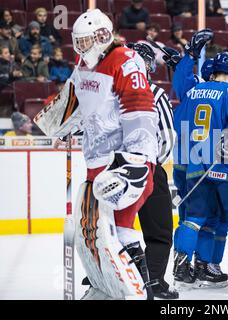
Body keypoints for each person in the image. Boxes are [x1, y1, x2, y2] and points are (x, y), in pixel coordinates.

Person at [38, 9, 159, 300]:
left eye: (84, 41)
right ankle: (106, 285)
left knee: (118, 229)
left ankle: (142, 290)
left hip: (124, 162)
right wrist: (61, 126)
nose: (80, 48)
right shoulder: (84, 66)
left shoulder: (126, 61)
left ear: (102, 35)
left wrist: (137, 160)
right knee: (93, 232)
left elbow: (140, 112)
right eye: (76, 42)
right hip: (96, 163)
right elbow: (73, 106)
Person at [173, 52, 228, 293]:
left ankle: (181, 267)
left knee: (194, 218)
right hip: (223, 165)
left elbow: (179, 123)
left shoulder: (194, 91)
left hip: (195, 163)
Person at [126, 42, 179, 299]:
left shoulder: (113, 92)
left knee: (117, 230)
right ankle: (153, 281)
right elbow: (168, 136)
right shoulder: (155, 93)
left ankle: (113, 278)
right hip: (147, 168)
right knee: (159, 232)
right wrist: (154, 161)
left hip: (113, 169)